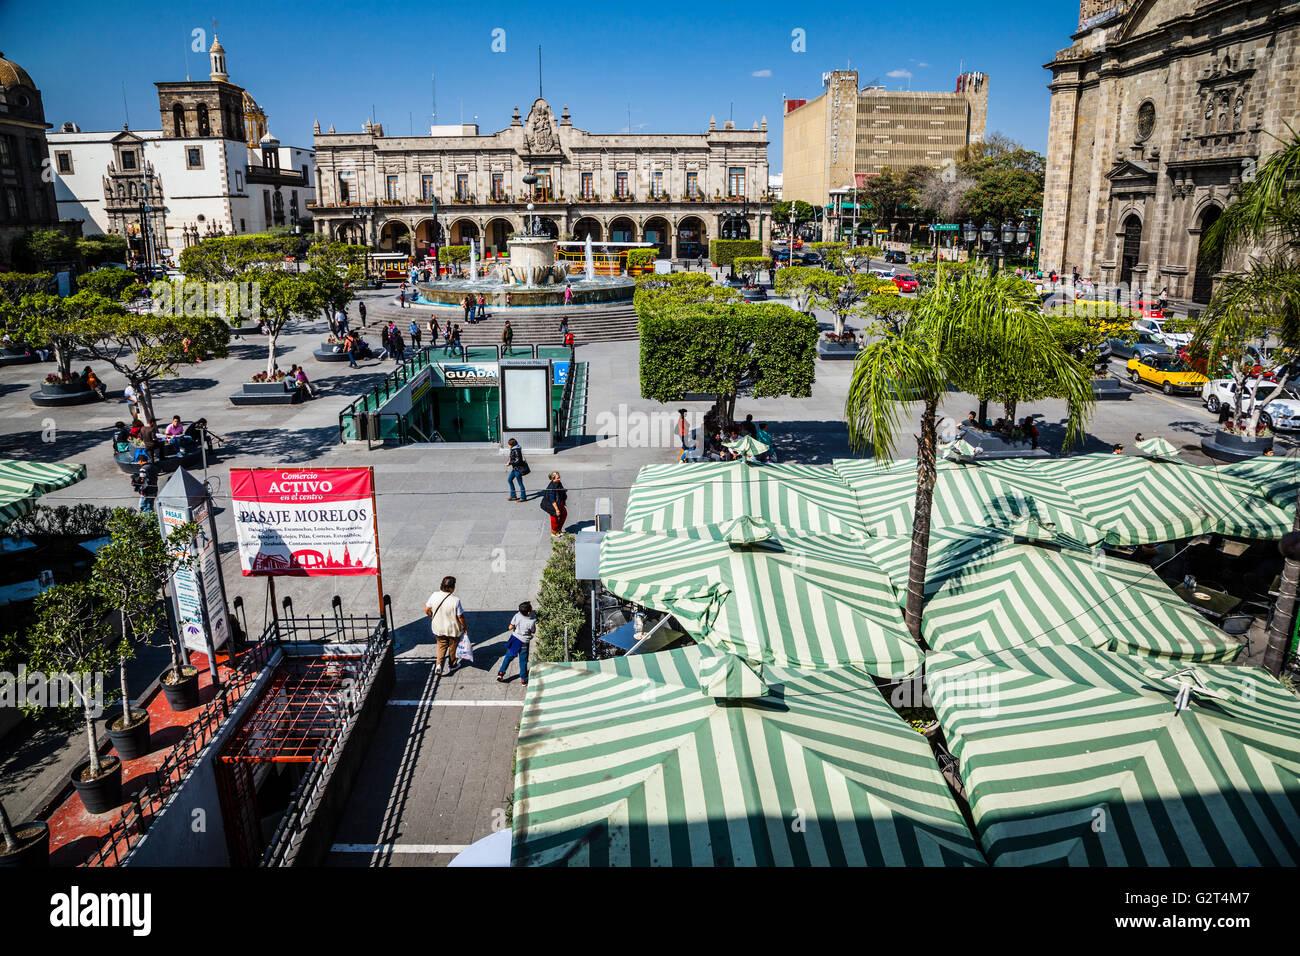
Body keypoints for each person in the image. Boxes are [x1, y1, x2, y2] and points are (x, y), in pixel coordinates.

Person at [424, 576, 468, 677]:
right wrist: (465, 627)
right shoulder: (455, 600)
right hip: (453, 630)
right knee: (453, 648)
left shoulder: (434, 595)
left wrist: (432, 616)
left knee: (441, 646)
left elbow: (426, 609)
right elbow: (460, 616)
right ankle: (452, 665)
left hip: (438, 628)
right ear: (452, 587)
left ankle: (439, 665)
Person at [497, 601, 537, 687]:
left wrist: (517, 626)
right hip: (524, 643)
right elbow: (533, 631)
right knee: (523, 661)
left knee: (508, 657)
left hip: (514, 640)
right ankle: (523, 680)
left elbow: (510, 627)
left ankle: (501, 673)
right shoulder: (532, 621)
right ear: (529, 612)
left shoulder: (517, 615)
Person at [542, 471, 567, 536]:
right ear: (553, 479)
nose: (559, 479)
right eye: (557, 478)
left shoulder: (558, 483)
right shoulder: (551, 487)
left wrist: (564, 490)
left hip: (560, 503)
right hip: (553, 506)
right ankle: (554, 532)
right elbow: (552, 499)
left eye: (559, 477)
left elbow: (560, 490)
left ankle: (558, 529)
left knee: (564, 514)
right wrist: (557, 509)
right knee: (554, 518)